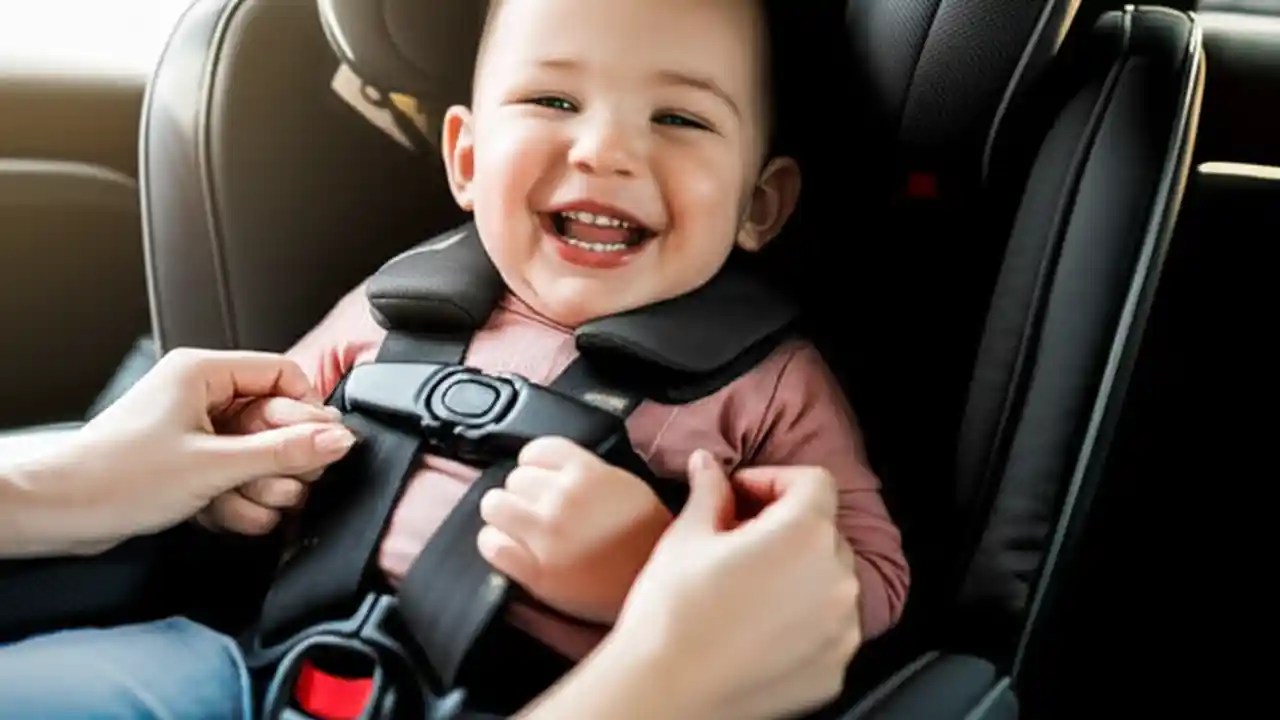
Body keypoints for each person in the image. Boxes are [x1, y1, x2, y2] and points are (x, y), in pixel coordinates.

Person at [0, 348, 863, 719]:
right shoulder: (399, 300)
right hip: (252, 652)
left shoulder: (772, 379)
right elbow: (260, 424)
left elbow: (841, 587)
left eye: (678, 117)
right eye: (551, 102)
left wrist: (644, 570)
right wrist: (250, 476)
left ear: (763, 201)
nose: (605, 148)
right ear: (469, 155)